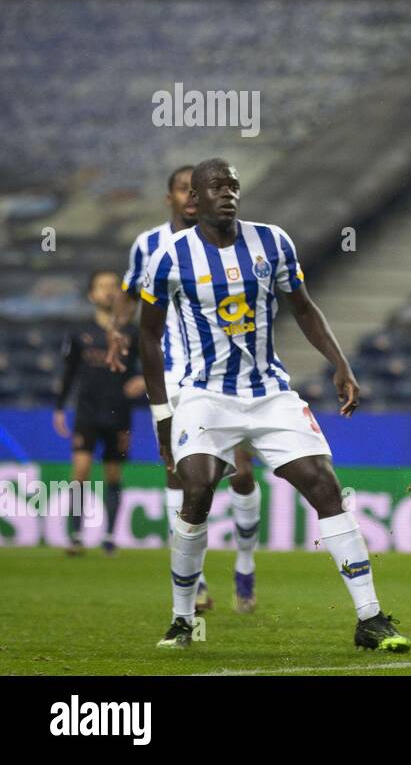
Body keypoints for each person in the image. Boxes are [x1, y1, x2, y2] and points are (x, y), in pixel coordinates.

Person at [140, 158, 410, 652]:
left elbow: (303, 306)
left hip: (270, 393)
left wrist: (339, 362)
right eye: (216, 186)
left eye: (234, 185)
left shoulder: (273, 242)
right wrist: (163, 415)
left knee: (325, 486)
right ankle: (182, 619)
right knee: (196, 491)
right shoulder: (168, 257)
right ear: (195, 199)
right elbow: (148, 335)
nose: (228, 193)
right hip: (204, 395)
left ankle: (370, 617)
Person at [110, 164, 261, 613]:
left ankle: (247, 564)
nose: (191, 197)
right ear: (171, 198)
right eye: (182, 190)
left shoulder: (232, 242)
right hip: (172, 376)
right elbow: (129, 295)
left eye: (195, 189)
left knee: (242, 471)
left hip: (226, 376)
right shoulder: (150, 245)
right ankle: (193, 583)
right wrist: (118, 332)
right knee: (178, 472)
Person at [55, 270, 146, 555]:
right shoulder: (80, 333)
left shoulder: (134, 332)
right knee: (80, 471)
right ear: (91, 295)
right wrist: (59, 407)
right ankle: (77, 536)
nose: (108, 291)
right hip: (87, 411)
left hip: (120, 412)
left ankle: (109, 536)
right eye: (101, 287)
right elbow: (69, 372)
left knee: (113, 475)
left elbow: (155, 365)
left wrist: (142, 380)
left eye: (113, 286)